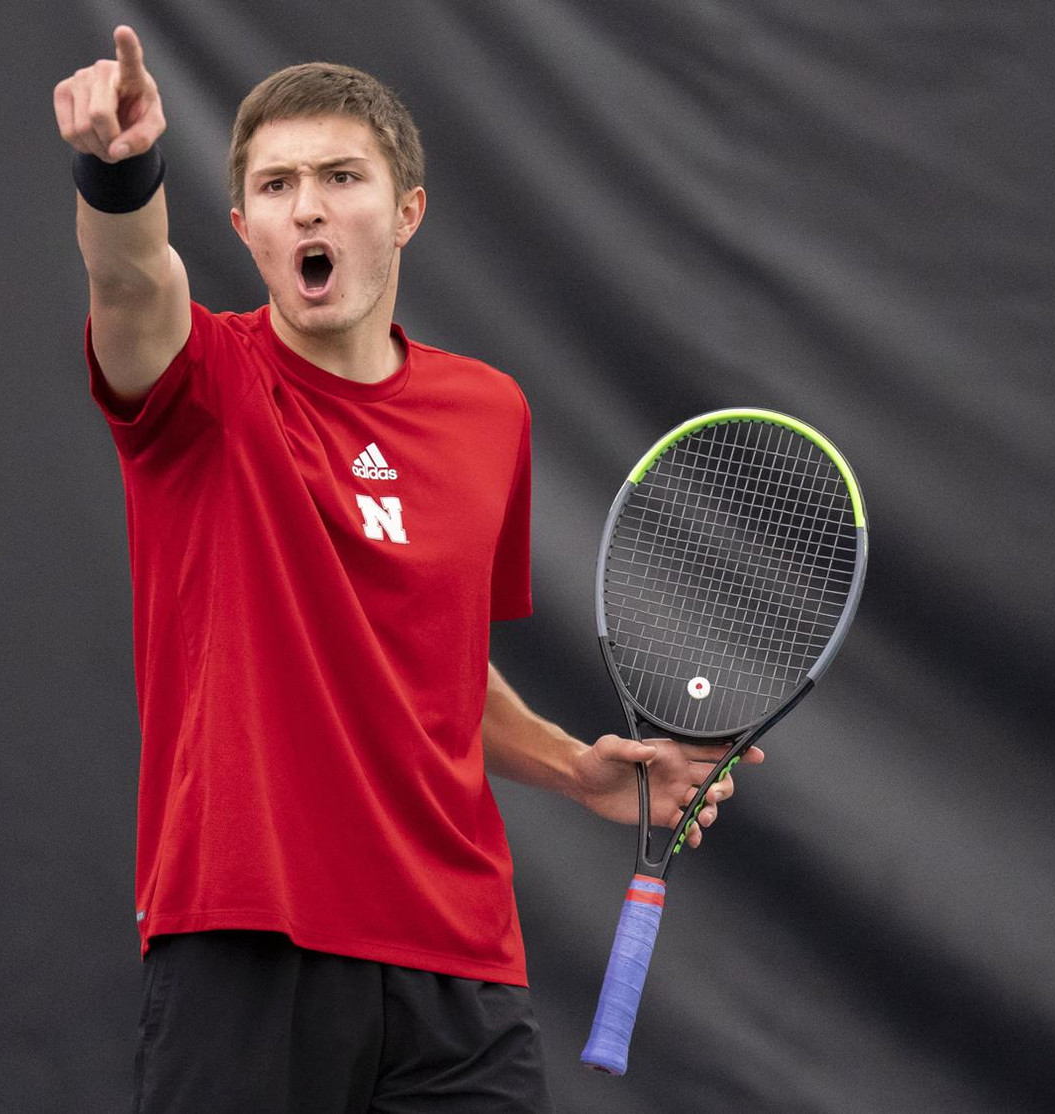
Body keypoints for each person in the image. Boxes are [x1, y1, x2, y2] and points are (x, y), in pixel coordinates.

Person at [54, 26, 764, 1112]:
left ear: (407, 212)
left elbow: (435, 670)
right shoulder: (200, 387)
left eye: (343, 177)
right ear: (243, 226)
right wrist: (119, 171)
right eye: (278, 184)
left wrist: (582, 770)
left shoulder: (489, 413)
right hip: (249, 939)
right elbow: (133, 276)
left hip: (460, 960)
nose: (310, 206)